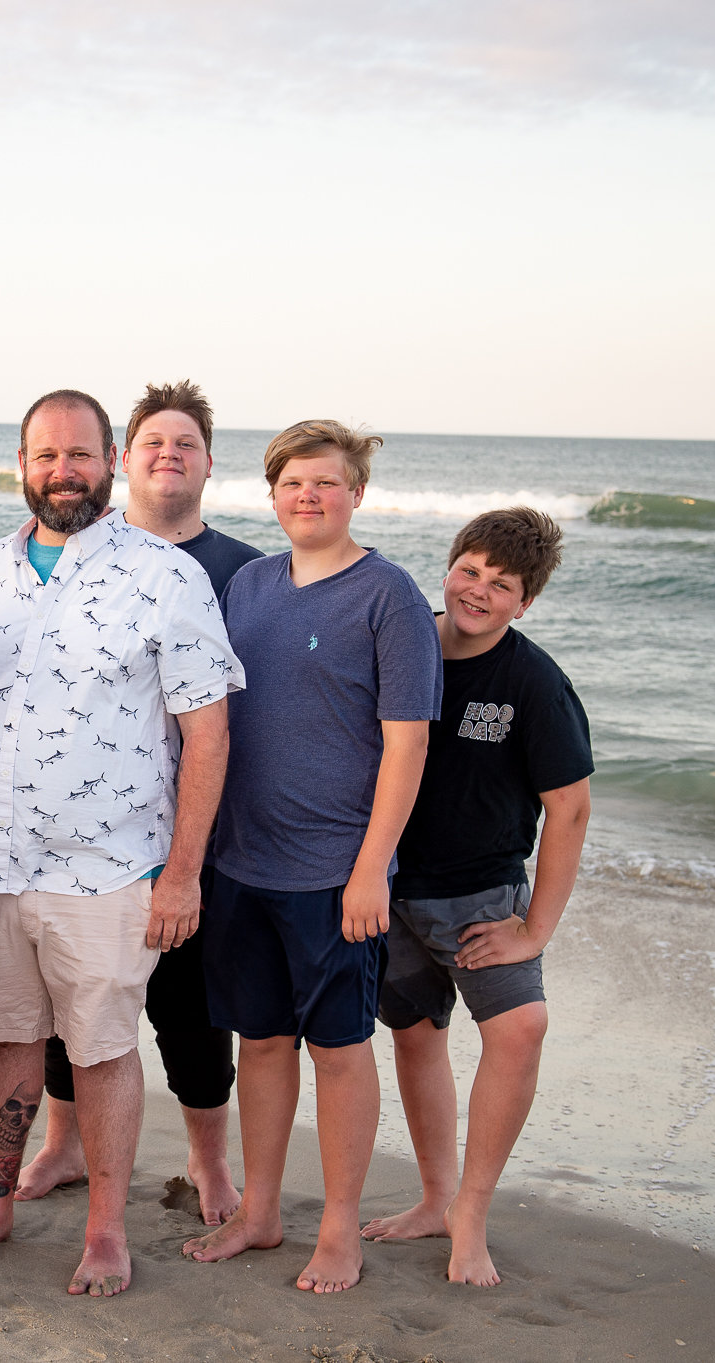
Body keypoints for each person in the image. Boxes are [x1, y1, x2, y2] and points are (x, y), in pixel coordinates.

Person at [0, 388, 242, 1298]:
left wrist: (181, 874)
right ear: (20, 463)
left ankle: (107, 1230)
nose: (62, 470)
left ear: (111, 461)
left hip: (107, 871)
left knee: (102, 1047)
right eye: (45, 455)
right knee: (8, 1038)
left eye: (80, 454)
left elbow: (208, 737)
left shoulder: (166, 577)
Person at [183, 419, 443, 1293]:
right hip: (240, 865)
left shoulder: (390, 596)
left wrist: (373, 867)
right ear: (273, 494)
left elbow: (407, 746)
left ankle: (338, 1228)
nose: (309, 496)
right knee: (259, 1042)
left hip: (336, 873)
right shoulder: (249, 585)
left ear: (355, 493)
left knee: (338, 1050)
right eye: (293, 482)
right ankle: (261, 1212)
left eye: (326, 482)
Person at [21, 380, 260, 1226]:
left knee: (189, 1011)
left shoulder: (243, 571)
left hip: (193, 838)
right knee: (64, 1004)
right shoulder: (82, 560)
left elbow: (233, 716)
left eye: (185, 442)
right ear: (129, 458)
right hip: (78, 849)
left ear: (205, 461)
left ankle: (208, 1161)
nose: (169, 454)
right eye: (153, 440)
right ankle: (63, 1143)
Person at [360, 508, 592, 1286]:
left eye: (503, 584)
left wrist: (534, 928)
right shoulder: (404, 642)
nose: (479, 591)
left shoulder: (532, 682)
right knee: (417, 1035)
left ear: (525, 602)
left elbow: (571, 806)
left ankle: (471, 1213)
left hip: (480, 901)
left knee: (521, 1028)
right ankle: (432, 1198)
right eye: (471, 569)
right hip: (388, 889)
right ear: (450, 563)